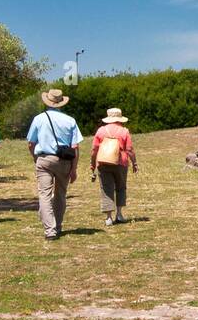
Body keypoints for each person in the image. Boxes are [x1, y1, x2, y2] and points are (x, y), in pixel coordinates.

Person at [26, 89, 82, 240]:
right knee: (60, 194)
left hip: (44, 159)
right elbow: (75, 147)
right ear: (61, 103)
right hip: (64, 160)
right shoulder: (70, 121)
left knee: (44, 195)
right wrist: (74, 168)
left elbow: (31, 143)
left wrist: (35, 158)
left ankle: (49, 231)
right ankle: (57, 226)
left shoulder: (39, 119)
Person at [90, 107, 137, 226]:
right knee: (121, 187)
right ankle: (119, 214)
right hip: (121, 163)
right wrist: (134, 163)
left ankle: (108, 218)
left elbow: (94, 149)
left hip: (103, 162)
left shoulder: (100, 131)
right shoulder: (124, 131)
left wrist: (93, 164)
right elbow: (129, 149)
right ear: (120, 119)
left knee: (106, 189)